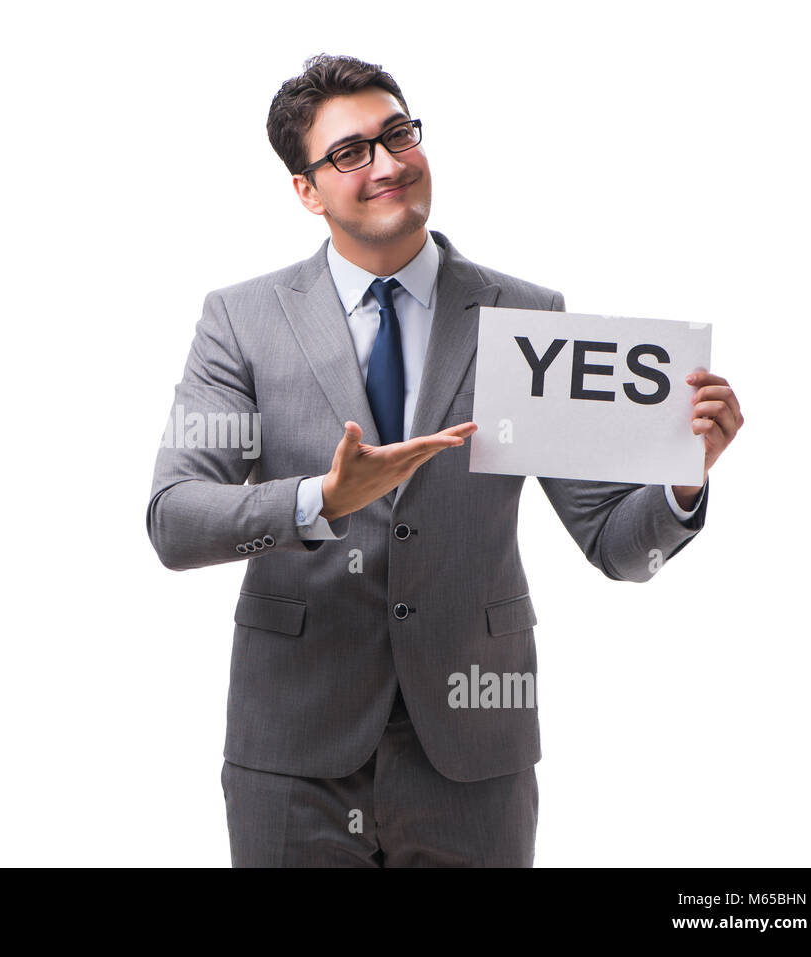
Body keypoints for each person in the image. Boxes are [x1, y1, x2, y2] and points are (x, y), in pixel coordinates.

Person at [145, 54, 743, 867]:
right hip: (294, 745)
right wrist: (318, 497)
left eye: (398, 134)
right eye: (351, 152)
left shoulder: (526, 317)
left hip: (472, 751)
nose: (388, 164)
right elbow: (177, 520)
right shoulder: (242, 320)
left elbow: (613, 543)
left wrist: (681, 478)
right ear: (306, 190)